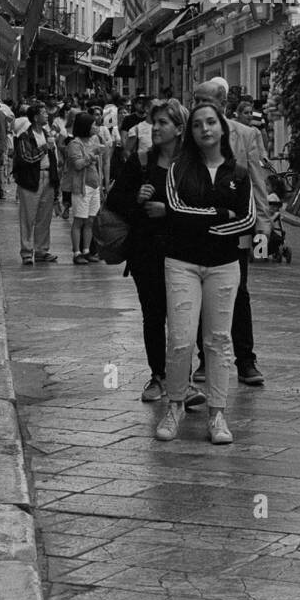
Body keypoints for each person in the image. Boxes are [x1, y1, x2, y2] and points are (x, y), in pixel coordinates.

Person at [156, 103, 255, 444]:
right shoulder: (179, 169)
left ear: (222, 128)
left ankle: (217, 413)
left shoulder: (238, 174)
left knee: (218, 341)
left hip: (224, 266)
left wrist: (209, 223)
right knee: (181, 339)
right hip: (182, 262)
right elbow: (176, 210)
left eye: (211, 122)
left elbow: (247, 219)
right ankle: (175, 405)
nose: (205, 129)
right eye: (198, 125)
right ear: (192, 133)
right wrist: (219, 214)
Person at [107, 99, 203, 409]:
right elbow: (115, 202)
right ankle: (159, 376)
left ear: (179, 128)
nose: (156, 128)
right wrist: (136, 198)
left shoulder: (193, 165)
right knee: (153, 315)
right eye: (155, 122)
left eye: (163, 123)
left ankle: (183, 380)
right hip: (145, 252)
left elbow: (203, 210)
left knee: (183, 320)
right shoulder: (141, 161)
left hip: (183, 252)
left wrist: (169, 210)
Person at [192, 78, 271, 386]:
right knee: (199, 293)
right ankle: (204, 360)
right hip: (198, 227)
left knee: (239, 294)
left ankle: (246, 360)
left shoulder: (247, 134)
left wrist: (263, 226)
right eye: (196, 99)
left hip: (235, 227)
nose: (198, 105)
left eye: (205, 100)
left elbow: (258, 182)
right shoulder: (191, 133)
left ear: (222, 104)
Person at [12, 101, 60, 265]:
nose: (47, 115)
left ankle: (41, 250)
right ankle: (26, 251)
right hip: (31, 179)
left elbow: (54, 159)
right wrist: (45, 148)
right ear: (35, 117)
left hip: (48, 178)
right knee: (28, 217)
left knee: (44, 217)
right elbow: (27, 158)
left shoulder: (48, 134)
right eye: (43, 113)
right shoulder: (25, 136)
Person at [66, 112, 103, 264]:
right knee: (79, 220)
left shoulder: (94, 140)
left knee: (90, 220)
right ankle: (76, 252)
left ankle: (87, 250)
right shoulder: (75, 144)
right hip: (82, 187)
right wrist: (91, 156)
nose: (95, 127)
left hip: (94, 186)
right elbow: (77, 164)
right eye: (93, 125)